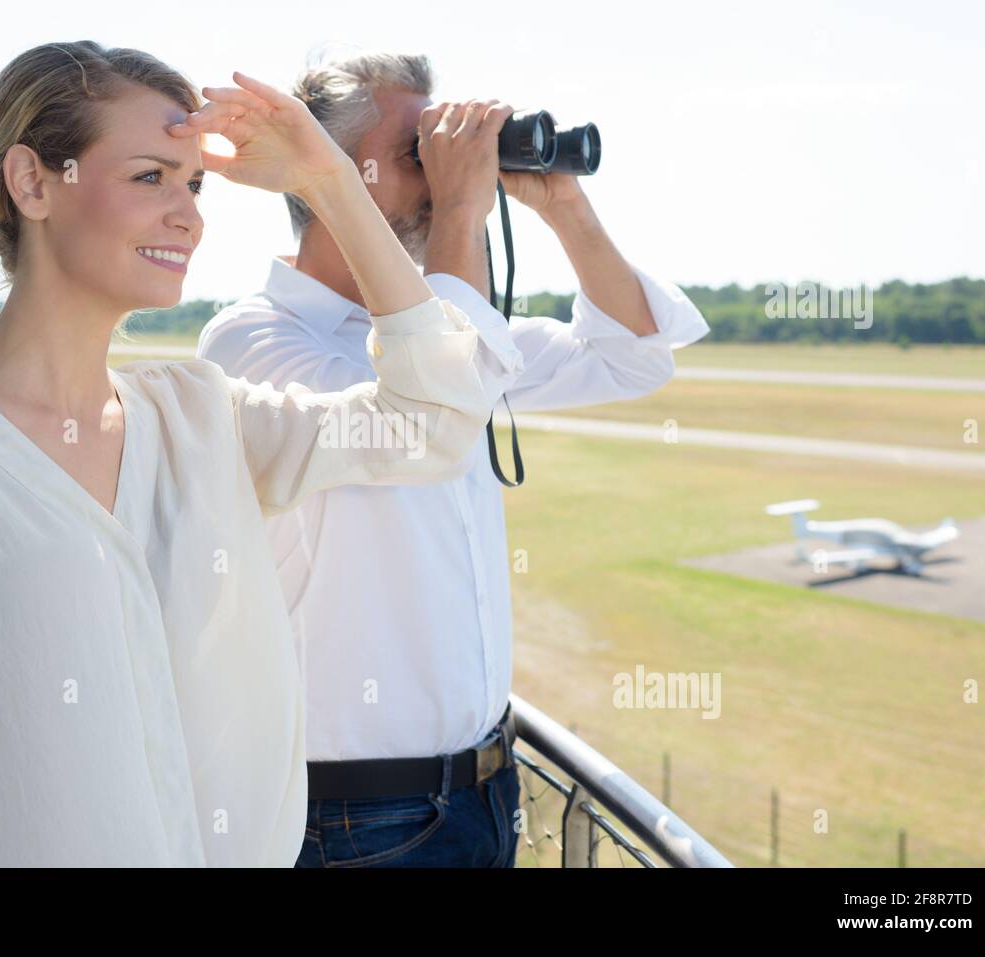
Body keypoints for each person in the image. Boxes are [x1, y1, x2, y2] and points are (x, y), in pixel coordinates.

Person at [0, 41, 521, 867]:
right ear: (33, 182)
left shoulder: (199, 416)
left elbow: (435, 419)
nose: (188, 215)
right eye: (150, 177)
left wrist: (326, 180)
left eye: (193, 184)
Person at [197, 50, 710, 868]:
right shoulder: (254, 339)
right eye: (418, 154)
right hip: (361, 817)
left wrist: (563, 205)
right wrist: (463, 212)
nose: (444, 172)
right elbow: (427, 402)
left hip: (486, 790)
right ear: (330, 175)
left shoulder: (456, 325)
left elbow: (634, 357)